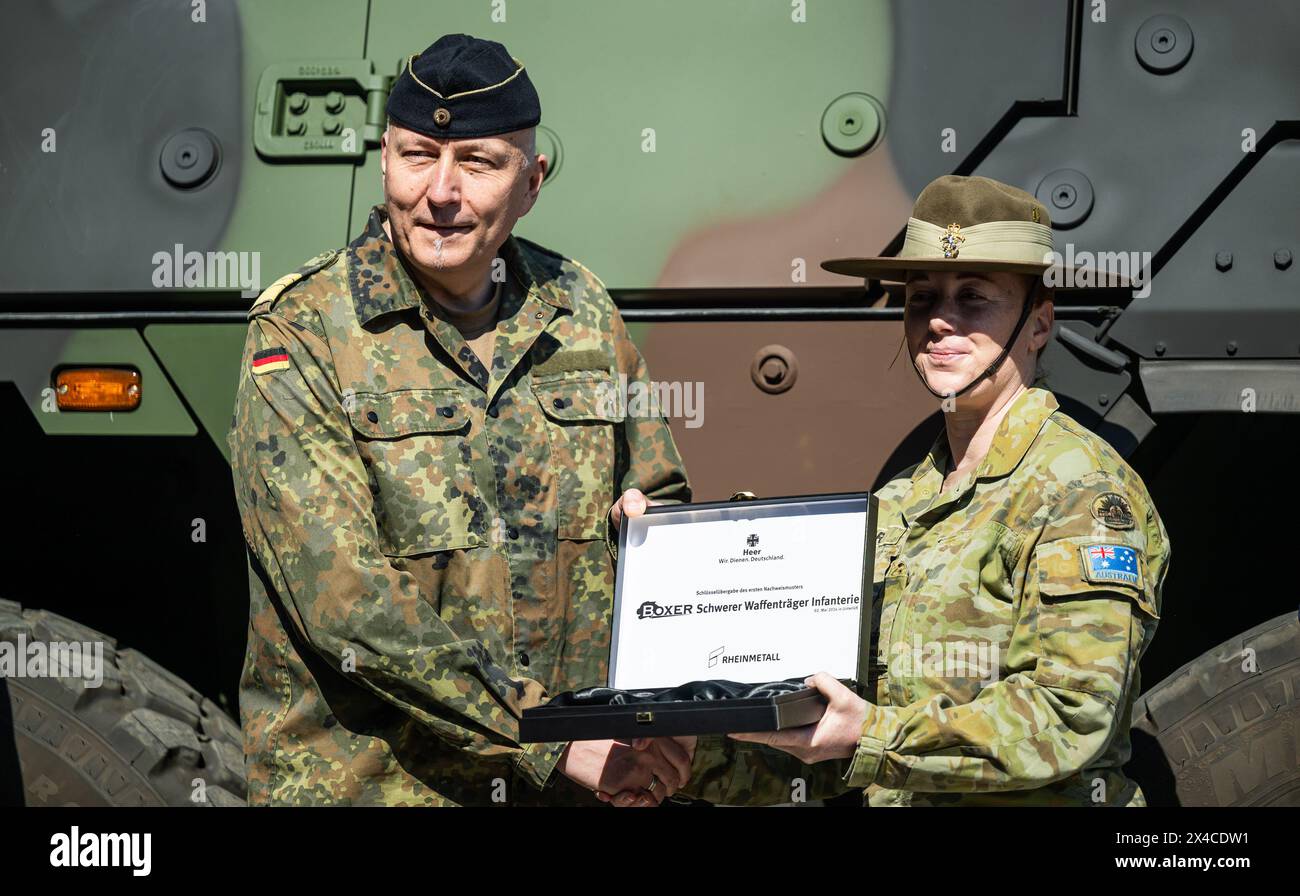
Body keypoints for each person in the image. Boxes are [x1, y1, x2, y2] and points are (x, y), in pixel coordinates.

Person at [228, 33, 692, 806]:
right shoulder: (302, 330)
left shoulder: (579, 311)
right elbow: (343, 600)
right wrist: (548, 731)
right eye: (417, 156)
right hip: (380, 788)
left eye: (477, 162)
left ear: (532, 180)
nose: (441, 191)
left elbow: (660, 496)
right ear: (384, 160)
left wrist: (653, 544)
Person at [611, 175, 1170, 807]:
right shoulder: (904, 498)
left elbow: (1069, 719)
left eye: (974, 298)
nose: (938, 320)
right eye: (920, 297)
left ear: (1039, 324)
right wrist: (694, 753)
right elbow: (840, 747)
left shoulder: (1081, 491)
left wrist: (870, 735)